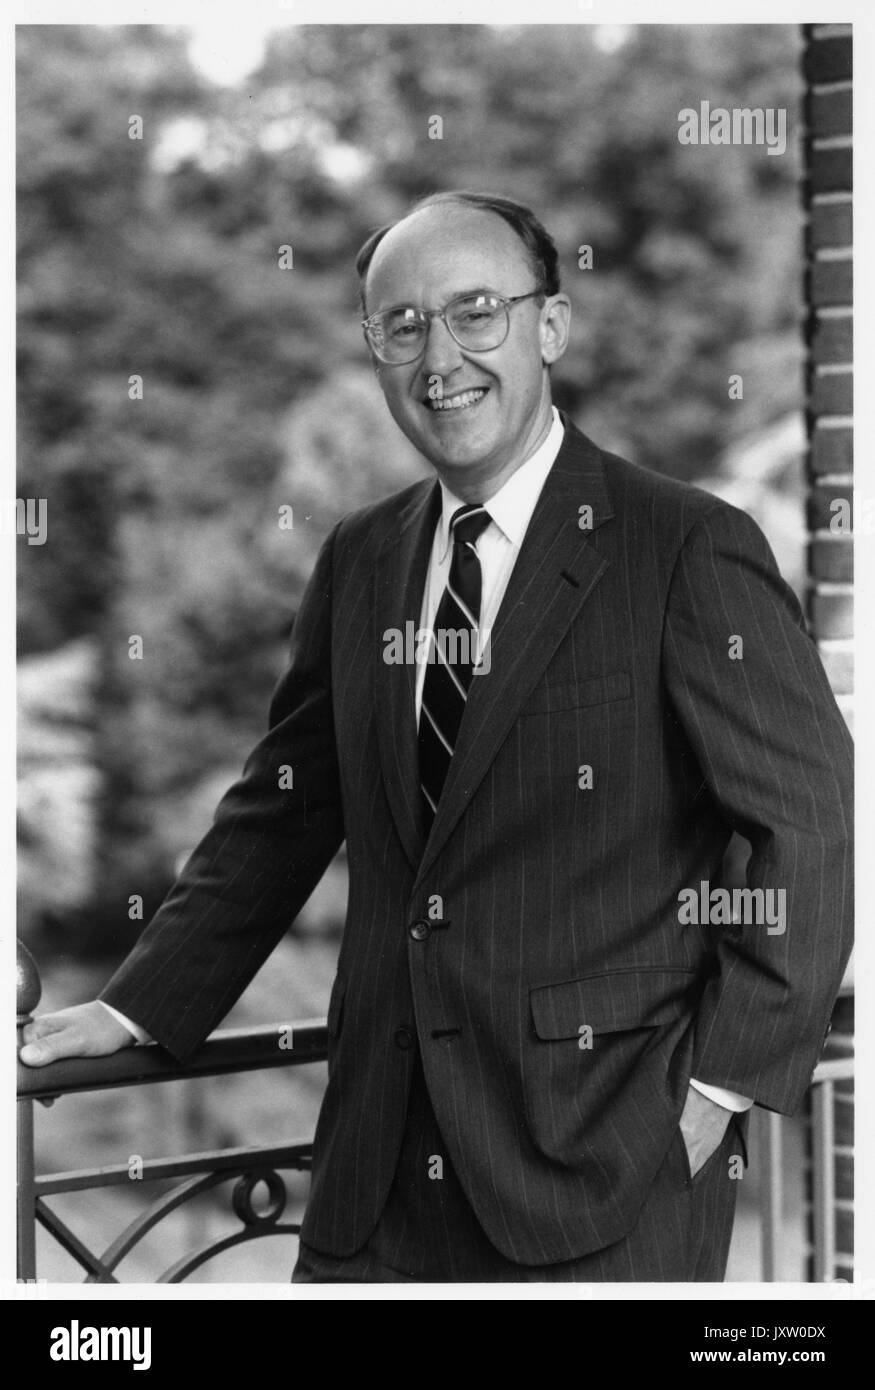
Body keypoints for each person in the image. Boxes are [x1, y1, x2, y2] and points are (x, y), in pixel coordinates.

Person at [20, 191, 853, 1282]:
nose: (437, 358)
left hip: (604, 1163)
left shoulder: (684, 548)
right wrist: (139, 1001)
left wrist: (715, 1093)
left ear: (547, 326)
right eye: (400, 326)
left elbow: (808, 826)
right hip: (373, 1171)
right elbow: (280, 809)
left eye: (474, 312)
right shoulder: (361, 559)